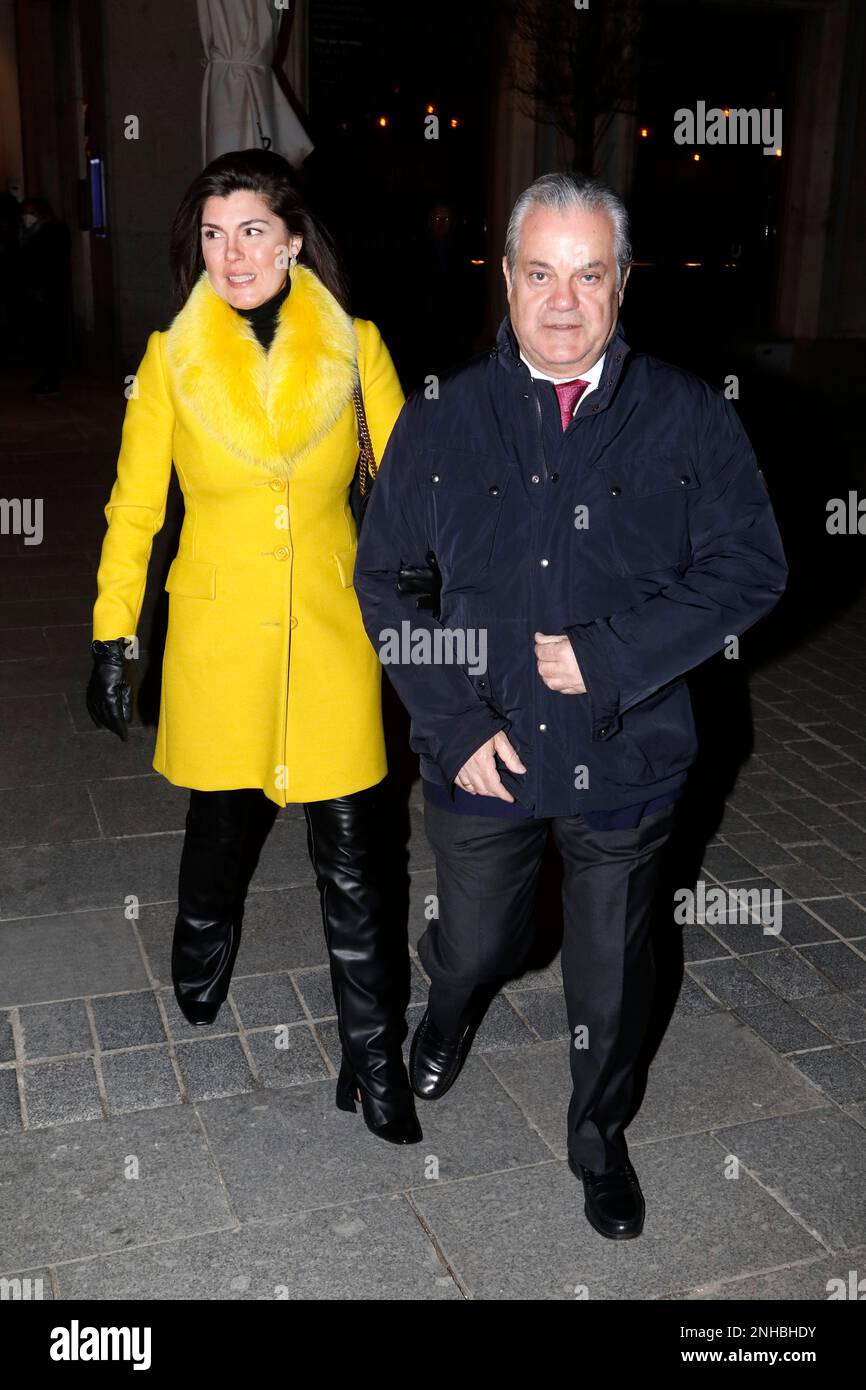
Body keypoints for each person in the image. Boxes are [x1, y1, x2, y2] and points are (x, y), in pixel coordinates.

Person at [354, 173, 788, 1226]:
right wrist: (449, 725)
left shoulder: (685, 416)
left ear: (621, 281)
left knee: (608, 975)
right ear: (504, 278)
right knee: (480, 942)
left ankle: (597, 1137)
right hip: (483, 753)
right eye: (538, 272)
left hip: (626, 752)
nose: (561, 300)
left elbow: (750, 568)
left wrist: (610, 654)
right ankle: (449, 1003)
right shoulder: (440, 416)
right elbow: (385, 580)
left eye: (587, 274)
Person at [87, 149, 420, 1145]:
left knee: (360, 857)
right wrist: (114, 633)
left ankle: (372, 1064)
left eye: (250, 230)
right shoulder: (168, 362)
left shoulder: (356, 347)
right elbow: (134, 508)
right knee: (221, 828)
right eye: (211, 232)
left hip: (330, 634)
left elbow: (408, 491)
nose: (229, 253)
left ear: (290, 239)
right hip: (220, 638)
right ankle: (199, 947)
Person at [18, 196, 71, 394]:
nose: (27, 217)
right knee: (42, 339)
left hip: (51, 295)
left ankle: (51, 381)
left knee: (51, 338)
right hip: (40, 296)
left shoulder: (53, 232)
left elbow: (48, 264)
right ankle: (45, 379)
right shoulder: (31, 233)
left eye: (31, 212)